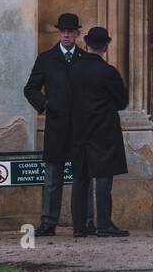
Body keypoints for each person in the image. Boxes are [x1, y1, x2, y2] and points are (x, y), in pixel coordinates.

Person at [23, 13, 87, 237]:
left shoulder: (85, 58)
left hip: (80, 126)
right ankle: (49, 222)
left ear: (77, 34)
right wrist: (46, 104)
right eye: (63, 31)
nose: (66, 35)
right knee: (52, 178)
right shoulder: (46, 59)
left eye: (70, 32)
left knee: (82, 176)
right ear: (59, 33)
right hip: (57, 125)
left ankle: (83, 222)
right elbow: (30, 89)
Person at [70, 27, 130, 239]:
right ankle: (103, 223)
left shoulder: (73, 69)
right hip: (103, 129)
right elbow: (122, 102)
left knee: (80, 178)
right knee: (103, 177)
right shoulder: (108, 72)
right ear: (106, 46)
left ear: (86, 43)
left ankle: (79, 226)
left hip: (79, 129)